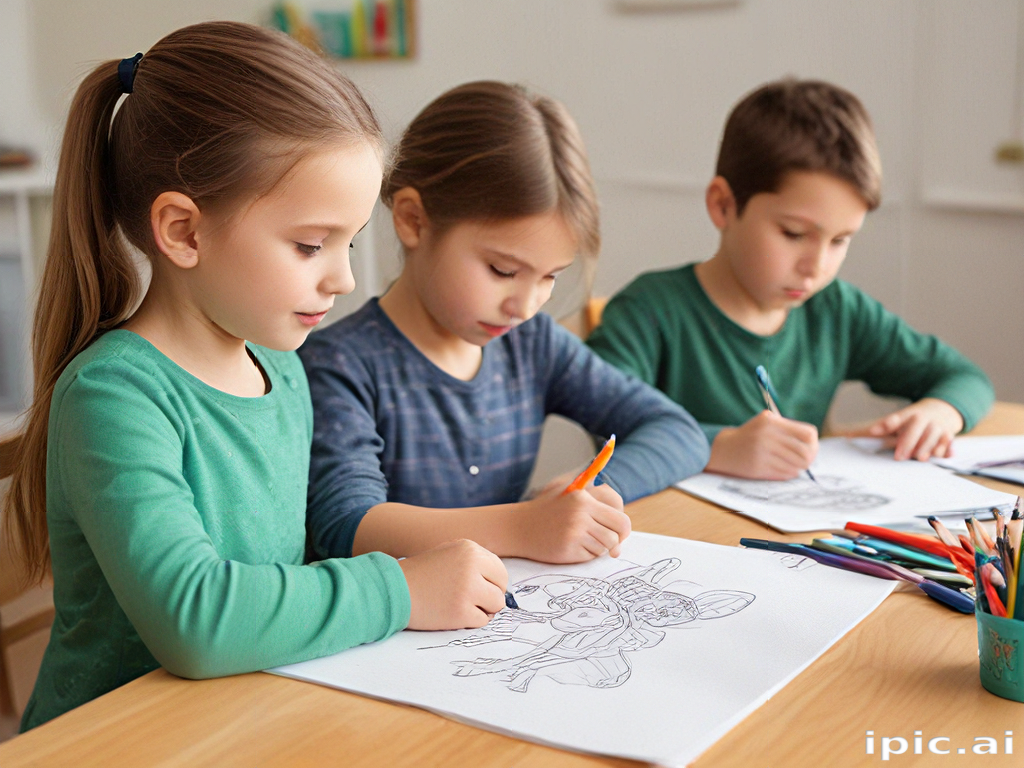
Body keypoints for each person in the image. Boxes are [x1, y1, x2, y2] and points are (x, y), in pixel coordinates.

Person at [1, 22, 506, 733]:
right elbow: (196, 618)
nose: (345, 277)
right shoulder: (114, 397)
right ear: (183, 232)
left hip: (246, 714)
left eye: (351, 241)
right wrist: (399, 587)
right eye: (310, 245)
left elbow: (282, 568)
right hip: (117, 740)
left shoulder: (281, 370)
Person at [299, 81, 709, 566]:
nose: (525, 305)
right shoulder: (339, 365)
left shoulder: (532, 343)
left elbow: (676, 429)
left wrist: (592, 491)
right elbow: (346, 524)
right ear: (413, 220)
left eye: (550, 277)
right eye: (503, 271)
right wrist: (523, 525)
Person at [587, 78, 994, 480]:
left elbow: (966, 378)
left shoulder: (837, 310)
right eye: (794, 234)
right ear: (724, 205)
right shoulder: (649, 310)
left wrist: (942, 412)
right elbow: (601, 417)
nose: (816, 266)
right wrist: (717, 446)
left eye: (840, 240)